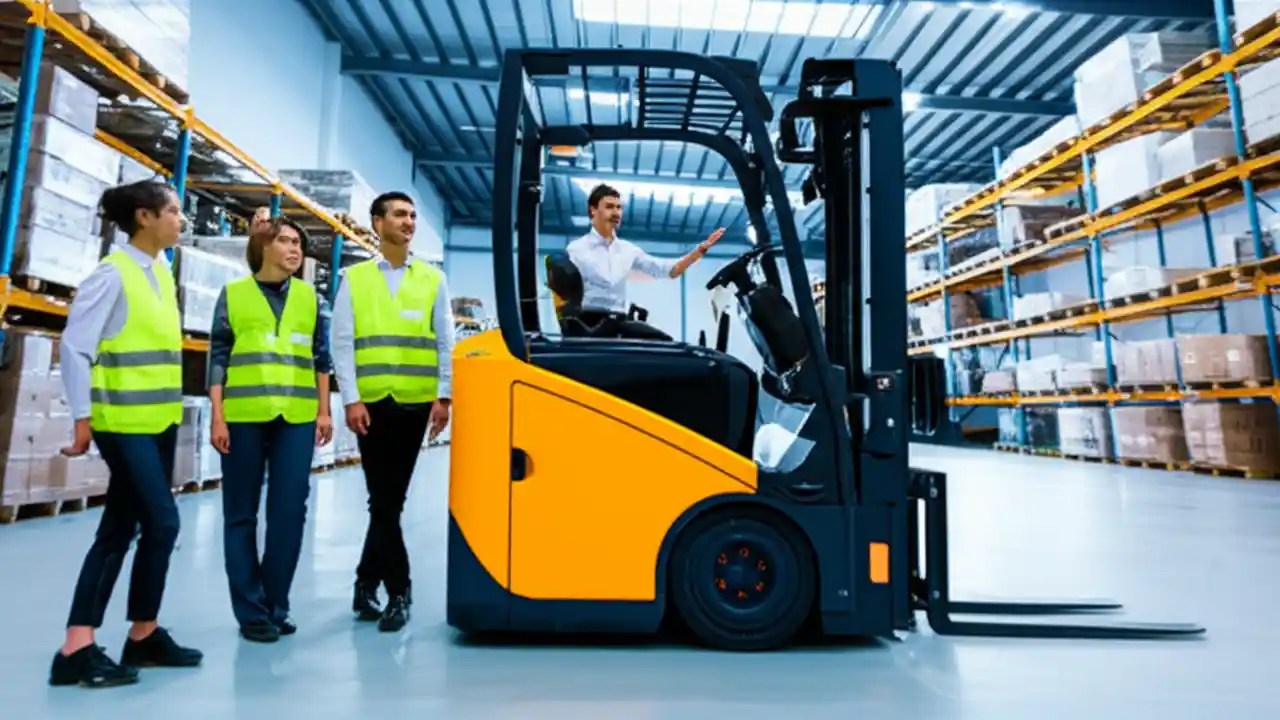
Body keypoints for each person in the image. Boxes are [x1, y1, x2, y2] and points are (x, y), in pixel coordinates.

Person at [52, 180, 203, 688]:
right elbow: (76, 347)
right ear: (144, 216)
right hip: (122, 424)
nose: (181, 220)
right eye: (174, 211)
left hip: (157, 422)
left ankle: (140, 634)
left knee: (121, 526)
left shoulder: (159, 271)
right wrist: (81, 417)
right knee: (162, 524)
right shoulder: (112, 276)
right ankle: (78, 645)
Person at [331, 190, 454, 632]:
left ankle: (369, 584)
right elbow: (341, 342)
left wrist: (444, 397)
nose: (409, 222)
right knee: (384, 501)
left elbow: (445, 340)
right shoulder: (356, 278)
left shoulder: (432, 279)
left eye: (413, 215)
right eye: (400, 214)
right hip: (371, 403)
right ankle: (397, 590)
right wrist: (349, 398)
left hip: (415, 402)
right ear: (378, 222)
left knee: (387, 499)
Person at [207, 216, 334, 643]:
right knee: (241, 513)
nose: (295, 249)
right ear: (263, 247)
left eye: (298, 243)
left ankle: (277, 604)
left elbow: (321, 358)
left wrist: (324, 411)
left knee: (289, 511)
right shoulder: (234, 295)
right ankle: (252, 612)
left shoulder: (310, 298)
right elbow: (218, 356)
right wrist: (217, 414)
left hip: (296, 416)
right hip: (243, 415)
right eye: (285, 241)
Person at [566, 183, 724, 313]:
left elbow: (668, 270)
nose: (616, 212)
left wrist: (699, 251)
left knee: (663, 343)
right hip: (585, 324)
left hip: (618, 323)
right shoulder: (576, 250)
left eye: (619, 207)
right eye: (609, 207)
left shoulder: (628, 250)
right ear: (593, 210)